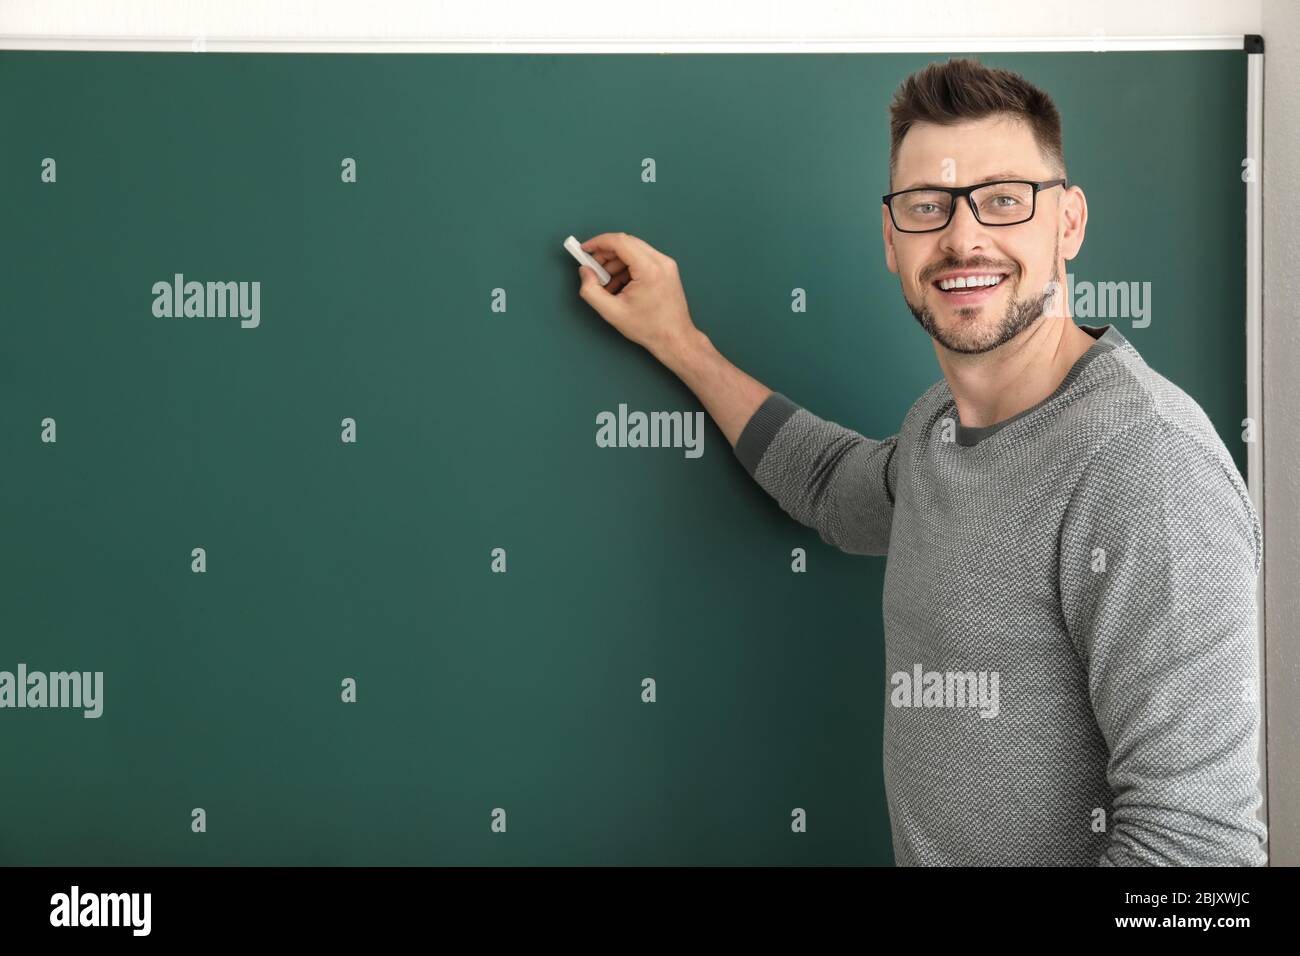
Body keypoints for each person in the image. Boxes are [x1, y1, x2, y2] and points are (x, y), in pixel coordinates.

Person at [572, 57, 1266, 866]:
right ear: (891, 241)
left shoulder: (1146, 468)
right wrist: (679, 342)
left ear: (1068, 223)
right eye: (928, 207)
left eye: (1004, 199)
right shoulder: (939, 428)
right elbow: (829, 484)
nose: (964, 236)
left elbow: (1200, 856)